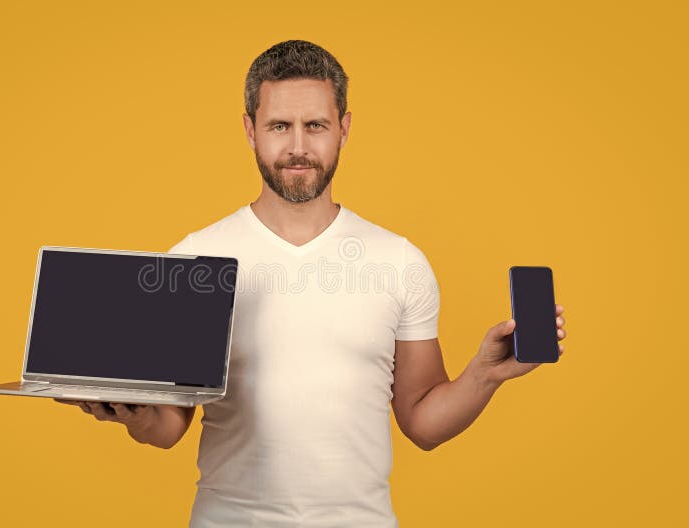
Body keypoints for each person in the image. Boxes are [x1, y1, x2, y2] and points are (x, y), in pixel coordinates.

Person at [58, 40, 567, 527]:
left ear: (343, 128)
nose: (298, 147)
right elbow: (168, 429)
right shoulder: (196, 257)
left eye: (315, 125)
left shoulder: (399, 261)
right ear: (250, 130)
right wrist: (128, 412)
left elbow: (422, 423)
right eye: (279, 125)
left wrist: (484, 375)